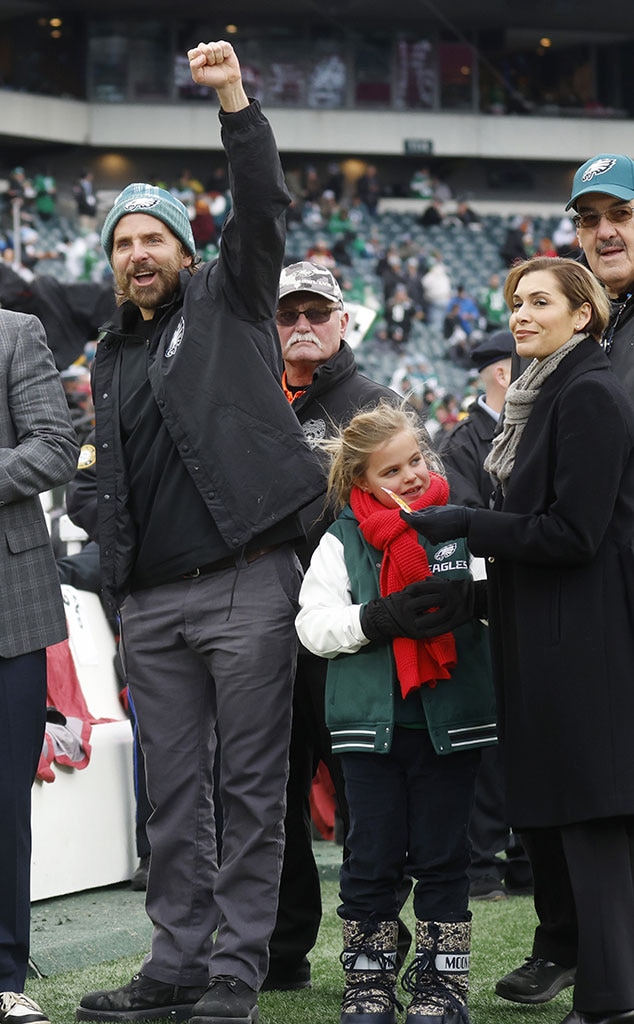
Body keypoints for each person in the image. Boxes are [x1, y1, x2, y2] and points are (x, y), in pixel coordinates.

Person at [73, 40, 324, 1024]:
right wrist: (115, 581)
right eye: (123, 243)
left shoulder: (229, 297)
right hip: (153, 602)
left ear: (186, 250)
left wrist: (232, 99)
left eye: (154, 238)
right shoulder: (107, 352)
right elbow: (113, 483)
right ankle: (175, 965)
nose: (139, 253)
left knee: (252, 792)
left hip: (246, 581)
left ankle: (232, 978)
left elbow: (261, 204)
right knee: (172, 799)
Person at [403, 256, 634, 1024]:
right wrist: (467, 594)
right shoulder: (544, 396)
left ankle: (608, 1001)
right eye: (514, 303)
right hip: (542, 634)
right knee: (559, 815)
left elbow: (572, 533)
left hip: (585, 638)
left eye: (540, 302)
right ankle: (595, 986)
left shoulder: (591, 391)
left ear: (584, 315)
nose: (521, 315)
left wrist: (469, 525)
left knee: (593, 818)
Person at [296, 401, 495, 1024]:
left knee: (443, 857)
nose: (410, 476)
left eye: (416, 461)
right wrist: (375, 619)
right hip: (367, 730)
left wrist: (475, 601)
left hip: (450, 724)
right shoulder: (341, 539)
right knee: (371, 857)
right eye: (392, 471)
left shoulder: (461, 526)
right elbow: (311, 626)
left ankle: (442, 988)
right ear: (361, 482)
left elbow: (503, 603)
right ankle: (369, 982)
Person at [496, 152, 634, 1011]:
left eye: (619, 213)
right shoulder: (586, 345)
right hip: (581, 600)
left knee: (602, 794)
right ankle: (574, 948)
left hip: (603, 589)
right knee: (580, 788)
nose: (603, 231)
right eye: (587, 220)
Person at [266, 261, 422, 992]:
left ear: (343, 321)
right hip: (266, 634)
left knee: (368, 793)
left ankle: (377, 934)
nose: (302, 325)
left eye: (315, 312)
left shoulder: (375, 405)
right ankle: (282, 947)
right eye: (288, 313)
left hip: (351, 637)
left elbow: (414, 510)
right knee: (272, 793)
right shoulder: (248, 397)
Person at [0, 309, 79, 1024]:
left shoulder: (13, 332)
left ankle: (3, 975)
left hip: (7, 611)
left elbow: (55, 447)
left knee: (1, 805)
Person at [436, 331, 533, 901]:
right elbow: (468, 517)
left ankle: (524, 859)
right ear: (503, 373)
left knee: (526, 731)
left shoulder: (532, 424)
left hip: (527, 590)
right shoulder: (461, 443)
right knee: (490, 736)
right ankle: (480, 864)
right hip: (485, 598)